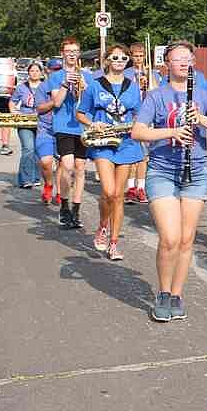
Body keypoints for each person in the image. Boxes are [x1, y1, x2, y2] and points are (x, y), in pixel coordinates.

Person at [131, 40, 207, 322]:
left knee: (186, 240)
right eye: (178, 59)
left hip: (195, 172)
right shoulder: (156, 96)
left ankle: (177, 294)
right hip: (162, 171)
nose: (184, 63)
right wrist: (171, 132)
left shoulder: (202, 94)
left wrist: (200, 119)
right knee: (170, 238)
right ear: (167, 64)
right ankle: (163, 293)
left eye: (188, 58)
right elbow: (138, 132)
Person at [77, 44, 145, 260]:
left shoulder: (133, 87)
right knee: (108, 191)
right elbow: (80, 113)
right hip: (103, 142)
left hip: (126, 143)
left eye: (124, 58)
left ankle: (113, 244)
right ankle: (102, 226)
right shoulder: (95, 85)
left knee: (118, 195)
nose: (119, 61)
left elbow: (139, 114)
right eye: (115, 57)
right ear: (107, 60)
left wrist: (138, 125)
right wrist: (92, 124)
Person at [46, 38, 94, 229]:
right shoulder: (56, 77)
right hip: (64, 125)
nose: (72, 54)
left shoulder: (87, 75)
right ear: (62, 54)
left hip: (82, 126)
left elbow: (92, 100)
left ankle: (76, 209)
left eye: (75, 51)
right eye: (68, 51)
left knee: (80, 168)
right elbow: (57, 103)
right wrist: (66, 84)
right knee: (67, 166)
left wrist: (85, 87)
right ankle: (64, 205)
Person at [125, 42, 152, 204]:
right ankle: (130, 188)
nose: (139, 59)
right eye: (136, 56)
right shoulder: (126, 73)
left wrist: (148, 82)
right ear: (131, 56)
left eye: (141, 56)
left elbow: (156, 92)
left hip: (146, 117)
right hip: (130, 117)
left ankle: (141, 187)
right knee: (130, 154)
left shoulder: (151, 73)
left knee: (143, 156)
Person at [9, 62, 44, 188]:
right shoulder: (21, 87)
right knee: (28, 148)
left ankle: (35, 177)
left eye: (37, 71)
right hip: (25, 121)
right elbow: (12, 102)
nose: (34, 73)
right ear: (28, 73)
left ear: (41, 73)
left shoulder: (46, 87)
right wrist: (14, 112)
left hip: (42, 122)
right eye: (32, 71)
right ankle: (25, 179)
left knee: (38, 150)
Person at [35, 61, 61, 205]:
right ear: (47, 70)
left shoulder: (68, 86)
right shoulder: (43, 87)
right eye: (53, 69)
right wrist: (55, 101)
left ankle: (60, 192)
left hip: (63, 130)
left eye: (59, 69)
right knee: (46, 162)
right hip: (46, 128)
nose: (56, 72)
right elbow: (39, 108)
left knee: (63, 164)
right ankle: (49, 184)